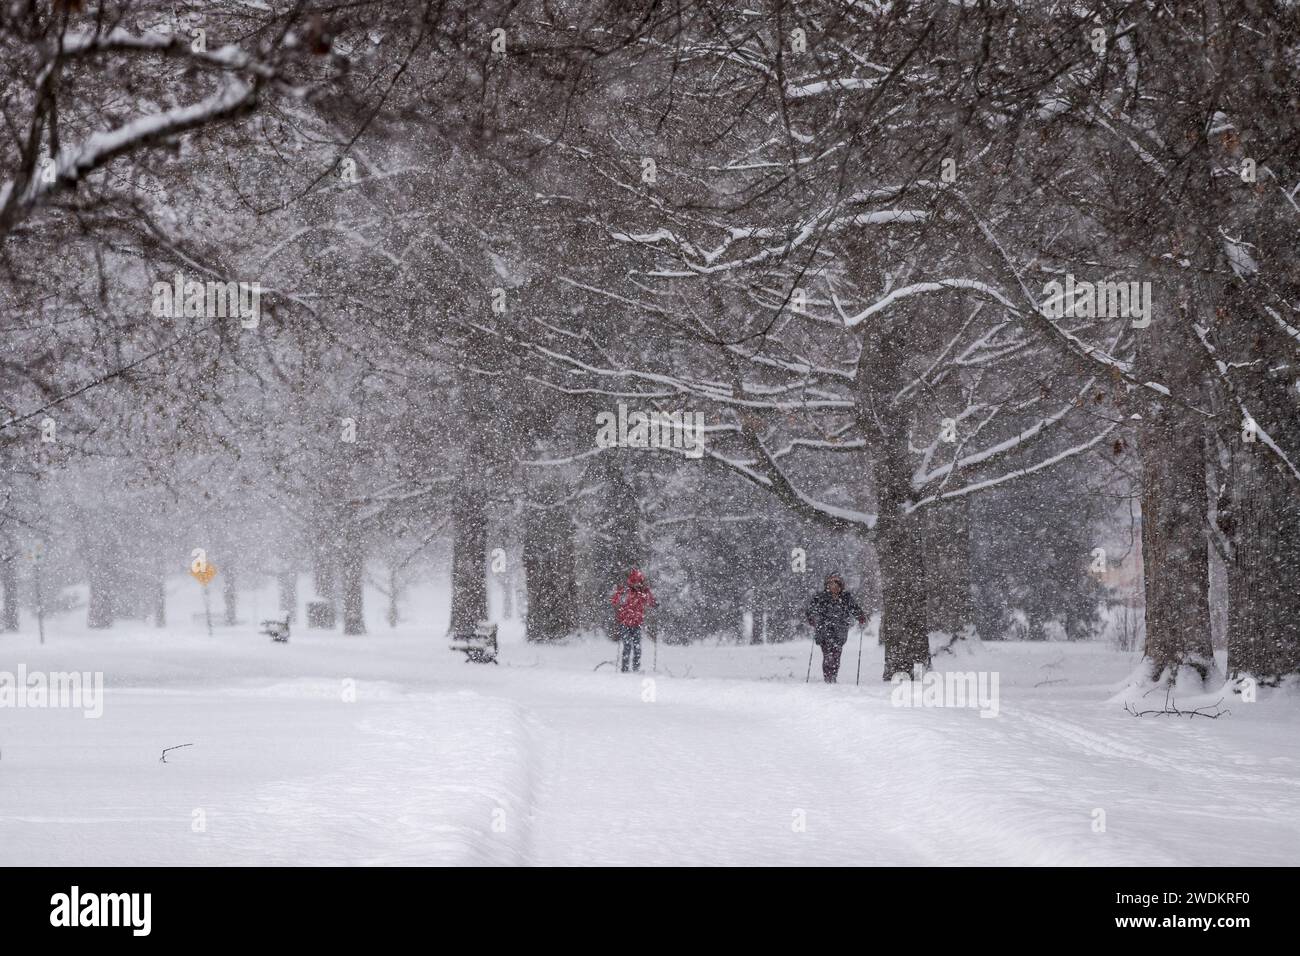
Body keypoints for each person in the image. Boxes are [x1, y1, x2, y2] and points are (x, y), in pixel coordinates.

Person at [805, 572, 866, 683]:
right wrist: (811, 617)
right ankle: (828, 677)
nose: (833, 587)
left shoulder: (846, 597)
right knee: (828, 654)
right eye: (831, 584)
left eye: (836, 584)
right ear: (827, 585)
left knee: (836, 655)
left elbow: (855, 608)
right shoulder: (821, 597)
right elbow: (811, 609)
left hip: (840, 630)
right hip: (824, 630)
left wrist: (860, 616)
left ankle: (833, 676)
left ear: (840, 585)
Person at [611, 569, 656, 673]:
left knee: (637, 648)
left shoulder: (642, 593)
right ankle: (625, 669)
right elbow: (615, 601)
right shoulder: (626, 591)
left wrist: (653, 601)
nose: (638, 584)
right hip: (625, 623)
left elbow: (650, 601)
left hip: (637, 624)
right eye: (636, 582)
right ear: (632, 581)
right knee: (627, 646)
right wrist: (619, 595)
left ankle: (636, 669)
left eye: (640, 582)